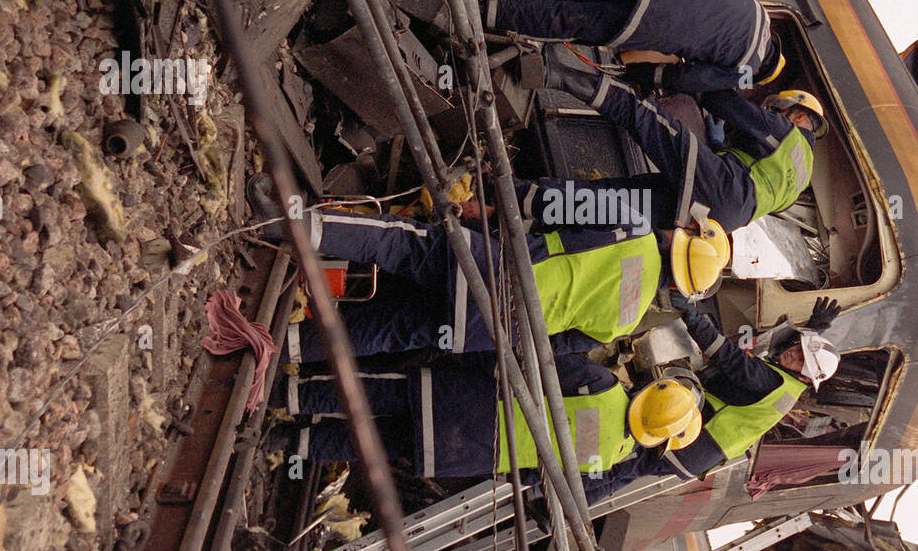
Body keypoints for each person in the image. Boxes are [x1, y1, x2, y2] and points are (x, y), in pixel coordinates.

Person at [246, 172, 728, 362]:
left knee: (400, 243)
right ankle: (280, 352)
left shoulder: (635, 227)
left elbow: (553, 200)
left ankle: (280, 222)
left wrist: (494, 206)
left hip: (491, 271)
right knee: (386, 331)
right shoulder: (628, 318)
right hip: (485, 331)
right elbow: (555, 346)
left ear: (681, 238)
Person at [277, 350, 705, 490]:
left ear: (650, 389)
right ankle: (284, 441)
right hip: (464, 454)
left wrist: (468, 356)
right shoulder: (607, 462)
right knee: (364, 443)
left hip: (460, 400)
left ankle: (286, 395)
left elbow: (529, 361)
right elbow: (533, 480)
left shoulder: (603, 386)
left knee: (369, 390)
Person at [518, 55, 825, 234]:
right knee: (609, 205)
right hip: (716, 219)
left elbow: (717, 98)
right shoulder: (801, 181)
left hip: (722, 187)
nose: (771, 115)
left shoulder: (785, 131)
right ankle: (516, 206)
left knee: (640, 114)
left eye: (777, 111)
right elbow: (748, 186)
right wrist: (718, 146)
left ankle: (551, 72)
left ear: (797, 115)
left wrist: (660, 75)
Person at [584, 296, 842, 493]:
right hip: (698, 451)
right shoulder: (789, 384)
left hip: (690, 441)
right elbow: (773, 350)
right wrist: (814, 329)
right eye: (799, 348)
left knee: (615, 468)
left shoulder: (770, 380)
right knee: (622, 473)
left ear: (806, 377)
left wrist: (691, 315)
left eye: (801, 360)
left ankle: (556, 487)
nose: (793, 354)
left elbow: (724, 355)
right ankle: (556, 509)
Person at [481, 0, 784, 92]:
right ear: (758, 72)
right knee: (569, 20)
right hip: (646, 20)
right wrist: (640, 75)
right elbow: (685, 78)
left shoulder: (755, 9)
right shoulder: (744, 66)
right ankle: (489, 14)